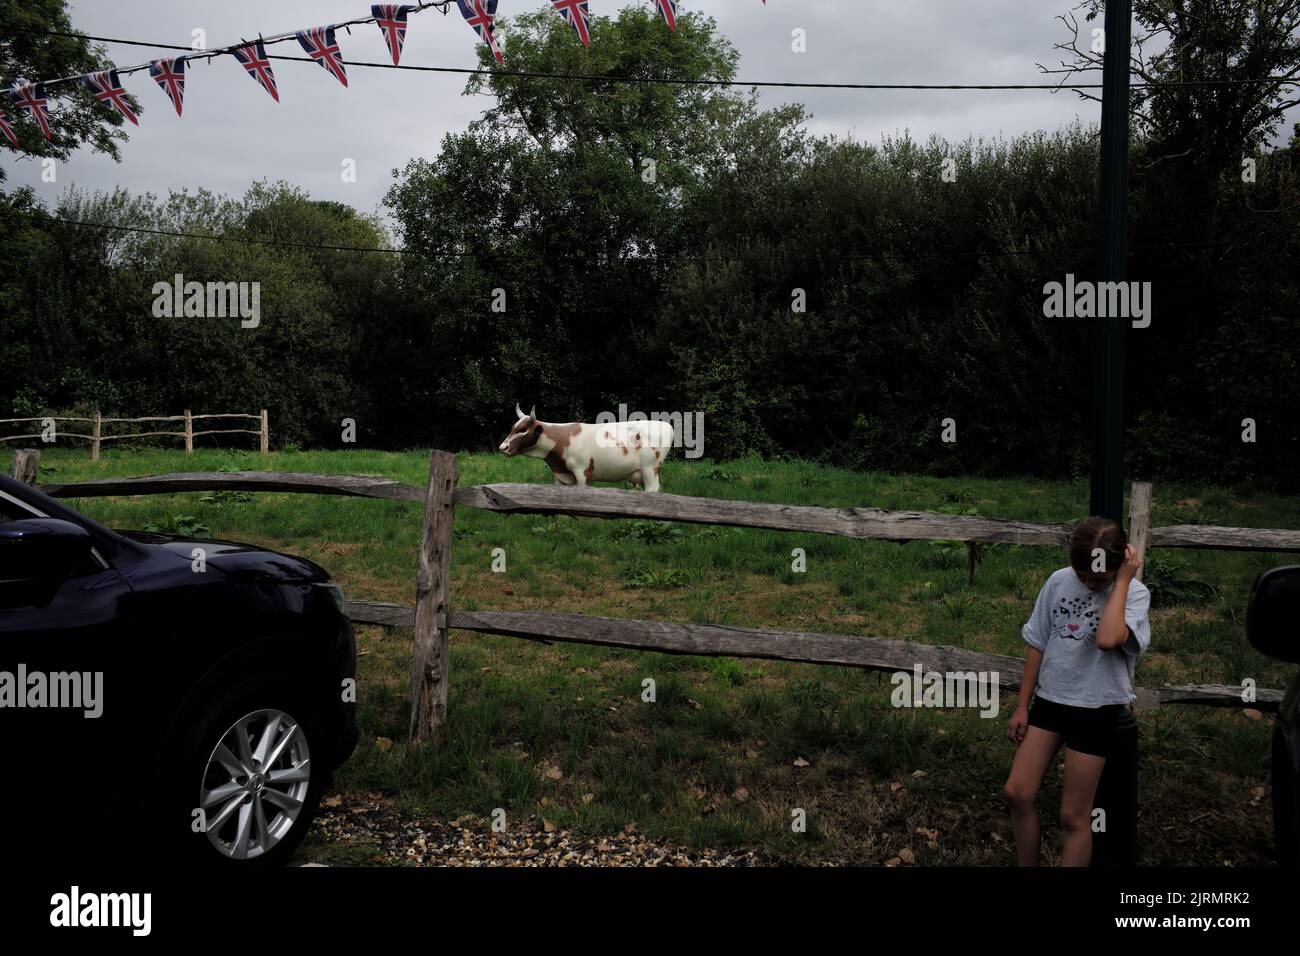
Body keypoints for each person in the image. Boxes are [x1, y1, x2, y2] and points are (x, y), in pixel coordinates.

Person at [1003, 516, 1151, 866]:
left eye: (1098, 577)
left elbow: (1107, 639)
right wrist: (1023, 705)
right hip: (1051, 702)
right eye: (1081, 573)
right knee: (1017, 793)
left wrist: (1123, 582)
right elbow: (1037, 642)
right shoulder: (1058, 581)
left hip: (1095, 710)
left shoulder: (1134, 596)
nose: (1088, 582)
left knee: (1073, 816)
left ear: (1119, 564)